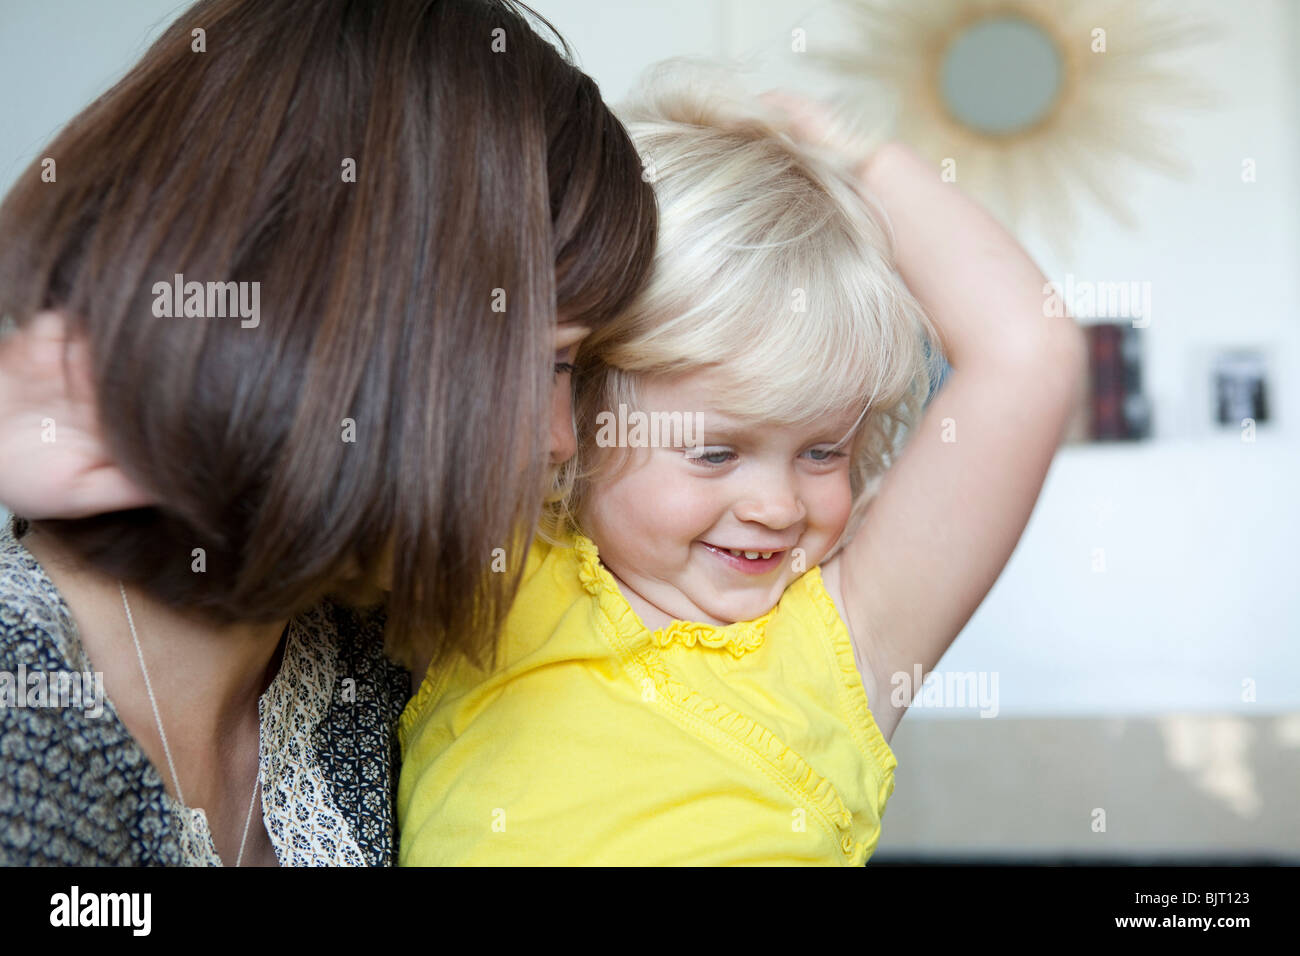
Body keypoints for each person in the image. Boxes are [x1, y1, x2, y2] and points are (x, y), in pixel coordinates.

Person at [0, 0, 656, 866]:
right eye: (546, 365)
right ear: (340, 332)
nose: (562, 439)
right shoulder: (23, 712)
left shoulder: (366, 664)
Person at [397, 64, 1086, 865]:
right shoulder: (491, 580)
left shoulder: (850, 637)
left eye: (823, 451)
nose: (776, 505)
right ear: (573, 413)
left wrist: (857, 159)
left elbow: (1029, 353)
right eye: (715, 452)